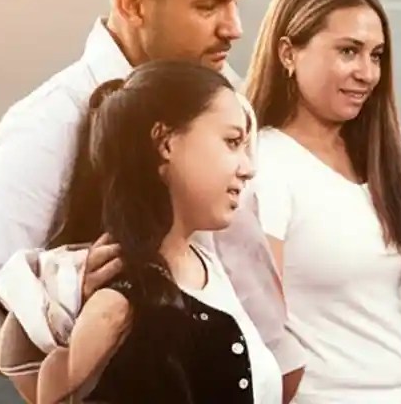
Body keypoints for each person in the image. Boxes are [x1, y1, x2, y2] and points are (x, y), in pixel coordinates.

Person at [0, 0, 305, 400]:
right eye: (207, 6)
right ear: (132, 2)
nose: (233, 27)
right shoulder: (54, 119)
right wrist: (44, 343)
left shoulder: (222, 92)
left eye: (235, 2)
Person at [15, 61, 283, 403]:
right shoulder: (117, 306)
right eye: (232, 142)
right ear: (166, 142)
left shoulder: (208, 264)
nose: (248, 168)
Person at [244, 0, 401, 404]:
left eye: (376, 55)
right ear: (288, 53)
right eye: (348, 51)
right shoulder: (265, 163)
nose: (367, 73)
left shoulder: (394, 151)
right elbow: (261, 325)